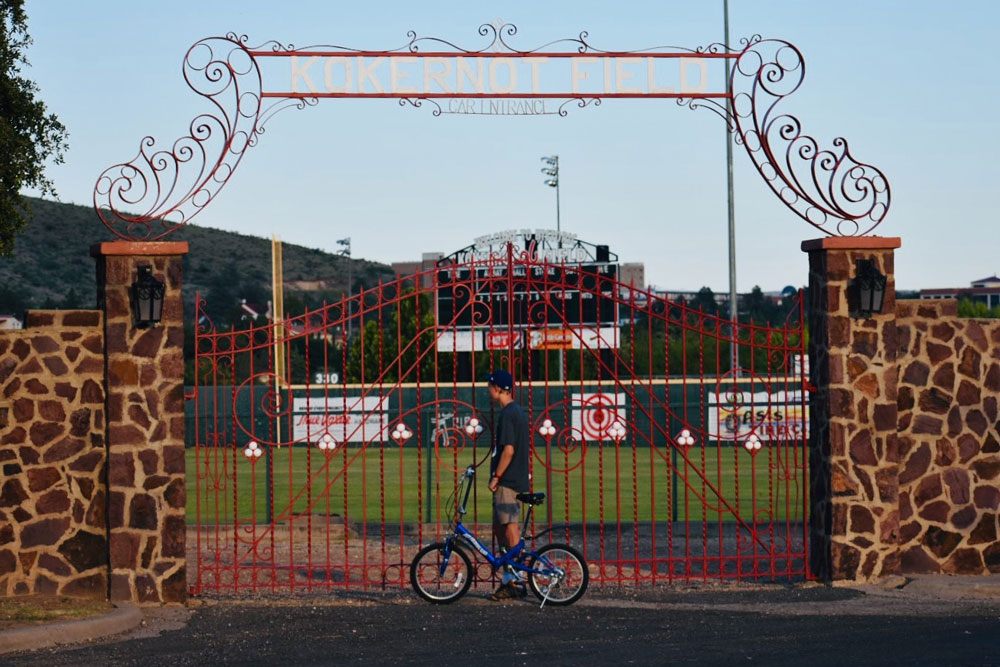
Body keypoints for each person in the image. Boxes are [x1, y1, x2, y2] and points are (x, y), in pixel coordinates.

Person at [483, 369, 530, 601]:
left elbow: (508, 451)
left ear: (499, 388)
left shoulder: (508, 414)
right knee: (501, 527)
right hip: (514, 479)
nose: (488, 390)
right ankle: (510, 575)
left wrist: (496, 476)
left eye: (490, 386)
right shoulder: (516, 411)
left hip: (508, 481)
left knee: (510, 528)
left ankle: (515, 580)